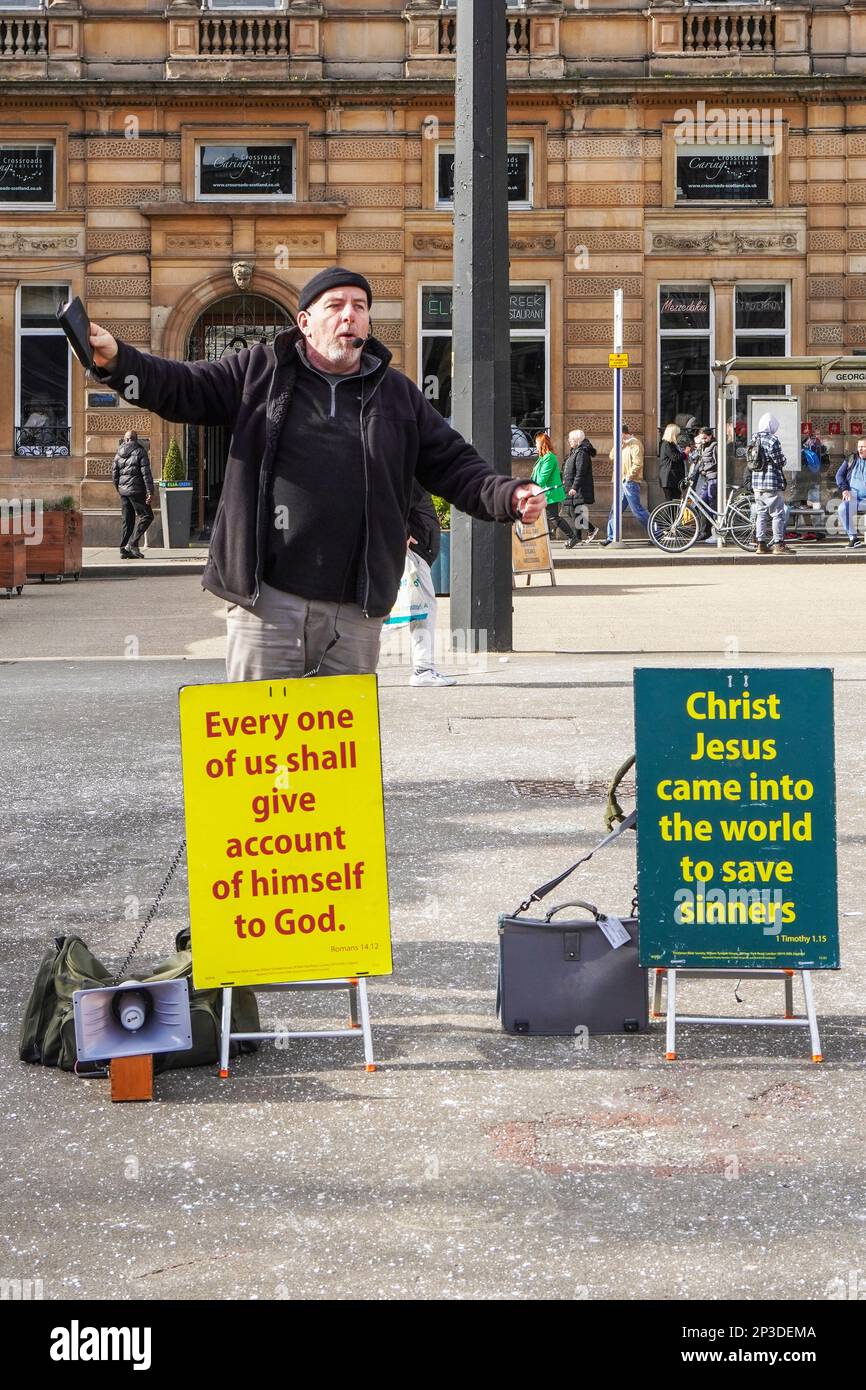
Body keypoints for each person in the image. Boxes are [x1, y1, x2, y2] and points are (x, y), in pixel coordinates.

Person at [89, 268, 546, 678]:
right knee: (262, 750)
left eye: (360, 307)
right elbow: (182, 386)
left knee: (338, 759)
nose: (350, 315)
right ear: (304, 322)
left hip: (355, 609)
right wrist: (119, 360)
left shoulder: (397, 395)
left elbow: (454, 463)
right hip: (267, 601)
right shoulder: (258, 371)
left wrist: (508, 494)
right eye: (336, 306)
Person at [406, 483, 455, 687]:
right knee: (422, 609)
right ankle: (423, 669)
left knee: (418, 608)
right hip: (415, 550)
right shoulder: (408, 466)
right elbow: (394, 500)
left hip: (418, 549)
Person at [750, 411, 794, 556]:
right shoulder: (772, 440)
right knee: (777, 514)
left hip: (757, 482)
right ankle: (778, 544)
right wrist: (784, 460)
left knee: (761, 514)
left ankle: (761, 544)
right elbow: (779, 461)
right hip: (771, 482)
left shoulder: (753, 438)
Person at [111, 429, 154, 559]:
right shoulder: (140, 451)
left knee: (127, 521)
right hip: (136, 490)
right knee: (147, 516)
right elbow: (146, 474)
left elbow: (114, 474)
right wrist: (150, 491)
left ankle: (124, 549)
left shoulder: (118, 453)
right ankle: (132, 543)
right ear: (136, 439)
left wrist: (119, 489)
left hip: (123, 491)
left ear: (126, 439)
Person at [602, 424, 648, 545]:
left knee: (637, 510)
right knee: (615, 510)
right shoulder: (622, 445)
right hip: (619, 482)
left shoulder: (635, 444)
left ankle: (657, 533)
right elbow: (612, 456)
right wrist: (618, 445)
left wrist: (628, 477)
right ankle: (611, 537)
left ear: (622, 433)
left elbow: (638, 463)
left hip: (630, 482)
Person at [531, 432, 575, 543]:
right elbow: (535, 476)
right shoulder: (543, 458)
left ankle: (572, 537)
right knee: (542, 516)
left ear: (542, 444)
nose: (535, 445)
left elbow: (543, 477)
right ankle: (544, 538)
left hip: (549, 493)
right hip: (543, 493)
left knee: (554, 517)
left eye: (536, 443)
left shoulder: (549, 457)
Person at [561, 429, 598, 544]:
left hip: (578, 487)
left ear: (577, 440)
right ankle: (591, 529)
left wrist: (574, 487)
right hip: (569, 485)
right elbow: (567, 469)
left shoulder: (581, 453)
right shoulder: (574, 451)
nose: (569, 441)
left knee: (575, 511)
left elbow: (580, 472)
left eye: (571, 439)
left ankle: (577, 537)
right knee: (568, 510)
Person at [835, 437, 866, 548]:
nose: (860, 449)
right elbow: (839, 475)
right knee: (843, 508)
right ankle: (853, 538)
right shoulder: (851, 459)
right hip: (854, 497)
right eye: (859, 447)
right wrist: (845, 489)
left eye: (863, 447)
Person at [691, 425, 718, 542]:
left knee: (712, 505)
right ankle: (705, 530)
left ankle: (715, 531)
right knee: (701, 503)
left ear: (710, 436)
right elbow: (694, 459)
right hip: (706, 479)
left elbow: (718, 463)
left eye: (705, 438)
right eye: (701, 438)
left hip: (713, 479)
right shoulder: (703, 447)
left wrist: (706, 468)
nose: (703, 440)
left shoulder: (714, 446)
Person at [658, 423, 686, 501]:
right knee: (672, 502)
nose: (678, 436)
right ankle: (672, 514)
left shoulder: (670, 444)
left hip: (672, 479)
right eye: (677, 434)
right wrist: (685, 453)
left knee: (674, 502)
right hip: (670, 479)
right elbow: (676, 458)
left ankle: (674, 514)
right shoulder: (667, 444)